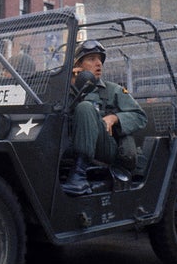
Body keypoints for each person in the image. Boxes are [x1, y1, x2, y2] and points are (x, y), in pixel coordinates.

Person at [62, 39, 147, 196]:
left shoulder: (111, 90)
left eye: (100, 59)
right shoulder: (64, 91)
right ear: (78, 65)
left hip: (105, 147)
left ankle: (79, 175)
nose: (98, 63)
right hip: (67, 145)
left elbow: (140, 116)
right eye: (91, 59)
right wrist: (73, 84)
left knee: (85, 107)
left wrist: (114, 118)